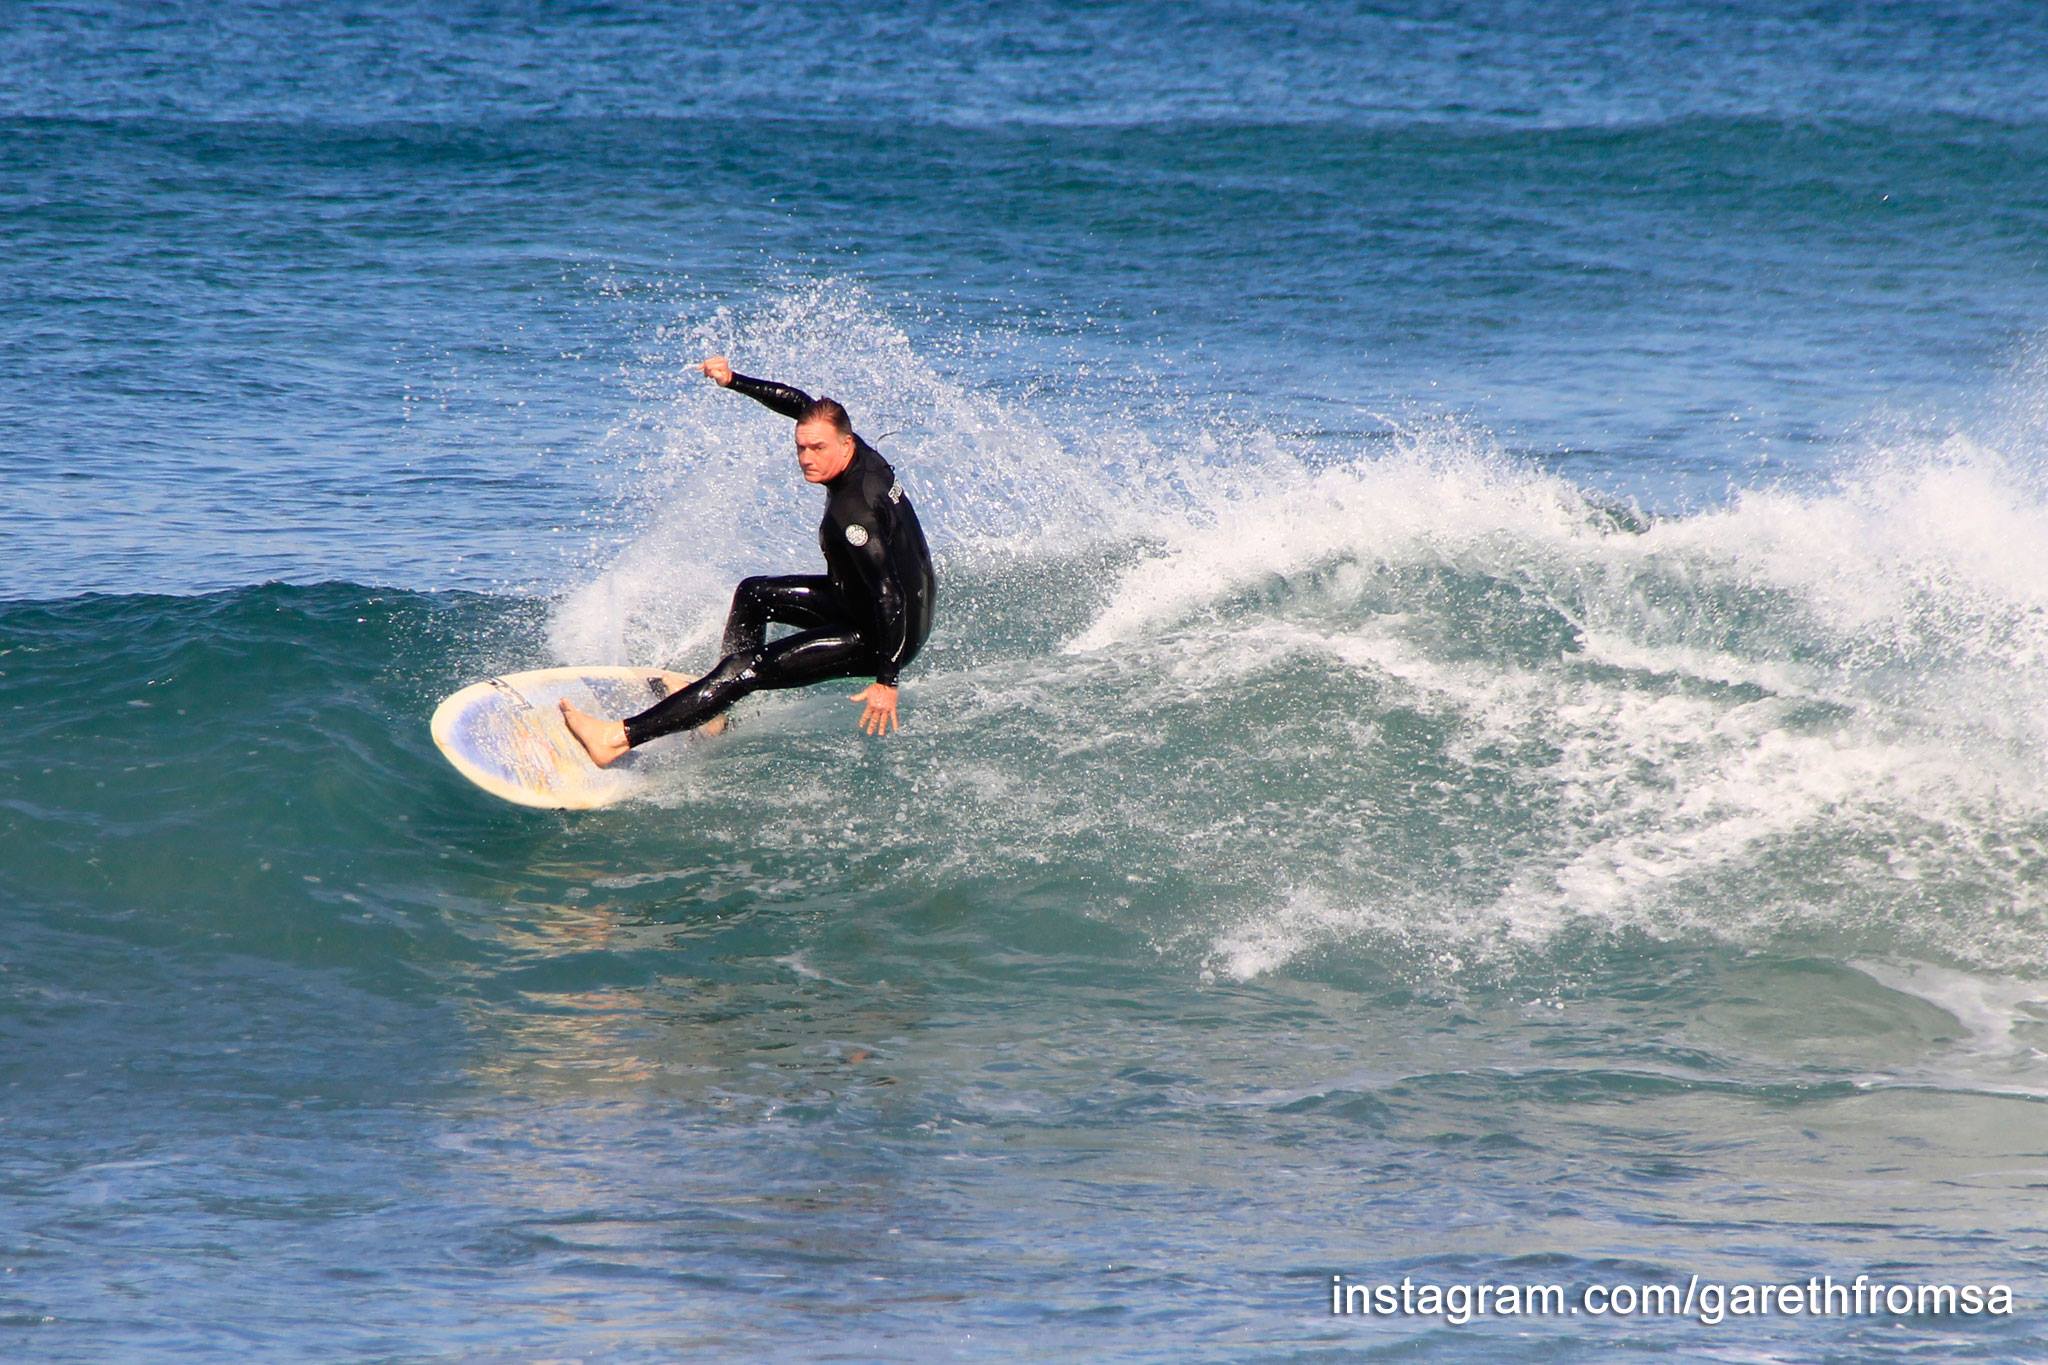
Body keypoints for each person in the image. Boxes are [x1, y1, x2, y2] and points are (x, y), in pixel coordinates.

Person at [559, 357, 937, 767]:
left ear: (844, 444)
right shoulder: (854, 449)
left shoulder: (854, 512)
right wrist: (733, 380)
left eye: (817, 449)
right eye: (801, 447)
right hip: (866, 602)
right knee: (755, 594)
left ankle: (616, 739)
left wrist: (887, 680)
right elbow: (800, 403)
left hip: (881, 634)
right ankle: (716, 709)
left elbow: (889, 595)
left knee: (747, 669)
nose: (806, 458)